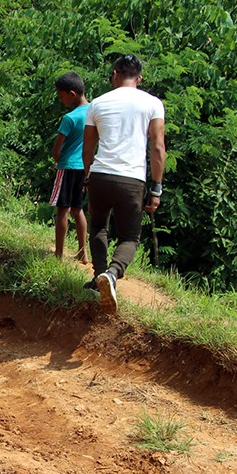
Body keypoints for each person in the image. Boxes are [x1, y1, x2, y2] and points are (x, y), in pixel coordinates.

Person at [82, 55, 166, 314]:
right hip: (132, 179)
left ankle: (99, 275)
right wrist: (156, 187)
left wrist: (86, 177)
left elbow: (88, 147)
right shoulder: (152, 103)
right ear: (139, 78)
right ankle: (113, 273)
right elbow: (157, 146)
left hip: (100, 175)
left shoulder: (97, 103)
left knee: (97, 226)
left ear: (115, 74)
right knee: (129, 236)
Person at [49, 72, 90, 263]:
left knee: (62, 210)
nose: (60, 99)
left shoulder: (69, 118)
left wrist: (57, 160)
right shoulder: (93, 112)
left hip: (66, 166)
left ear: (72, 94)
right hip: (84, 167)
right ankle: (83, 252)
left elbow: (56, 149)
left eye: (61, 95)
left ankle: (58, 253)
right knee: (78, 209)